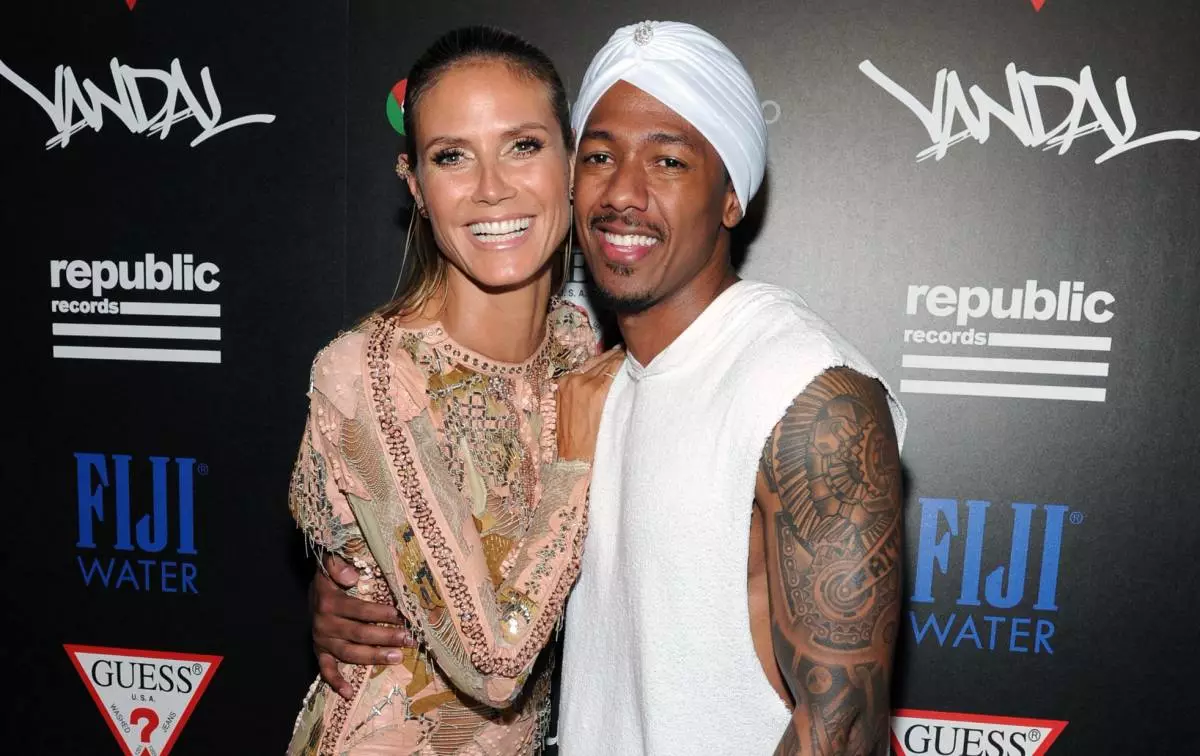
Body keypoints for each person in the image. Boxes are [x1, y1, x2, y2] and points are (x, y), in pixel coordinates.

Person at [311, 20, 907, 755]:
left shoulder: (797, 392)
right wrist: (370, 584)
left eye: (669, 161)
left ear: (731, 196)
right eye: (601, 155)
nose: (625, 191)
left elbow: (842, 731)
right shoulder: (583, 365)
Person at [286, 26, 621, 755]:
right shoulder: (367, 375)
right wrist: (579, 463)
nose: (492, 187)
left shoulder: (577, 344)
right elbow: (492, 670)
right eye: (452, 157)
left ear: (571, 163)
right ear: (415, 185)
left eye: (523, 145)